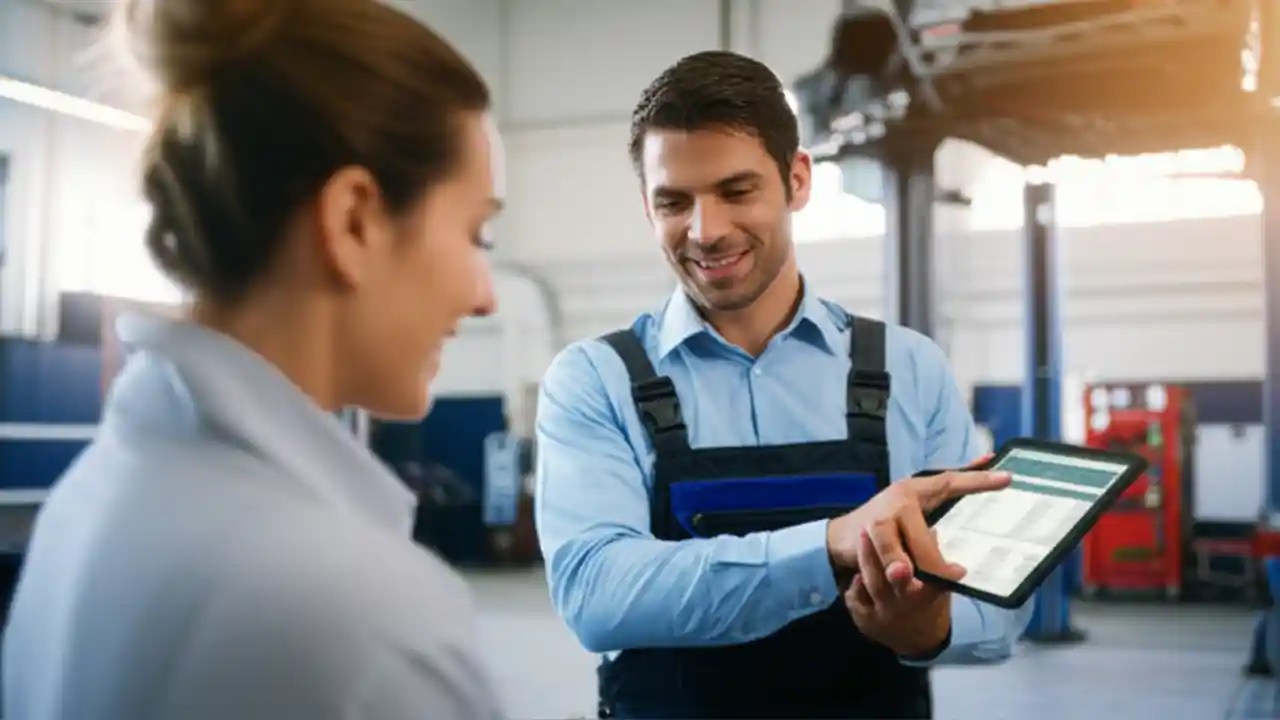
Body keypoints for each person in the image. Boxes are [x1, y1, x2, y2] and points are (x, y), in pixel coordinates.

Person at [3, 1, 504, 718]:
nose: (483, 296)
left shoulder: (94, 494)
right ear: (354, 220)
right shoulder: (354, 613)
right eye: (476, 233)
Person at [534, 50, 1034, 719]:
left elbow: (995, 607)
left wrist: (930, 630)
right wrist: (832, 544)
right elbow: (597, 596)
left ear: (797, 179)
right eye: (674, 201)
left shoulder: (910, 370)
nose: (707, 231)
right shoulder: (595, 380)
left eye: (737, 191)